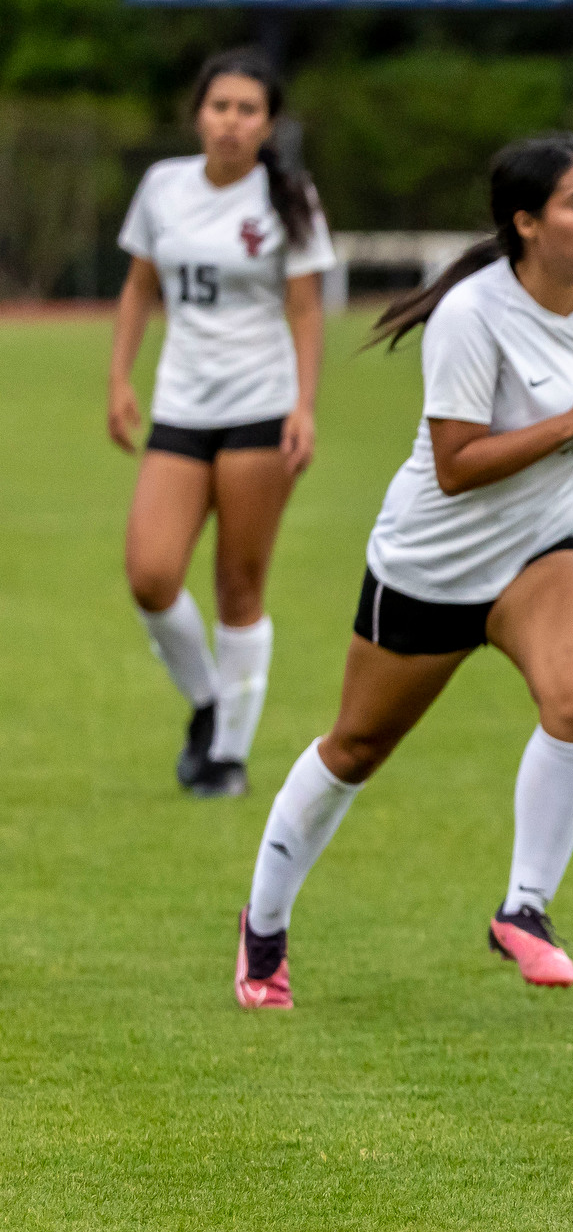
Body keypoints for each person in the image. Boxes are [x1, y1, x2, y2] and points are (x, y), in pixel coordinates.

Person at [230, 133, 573, 1011]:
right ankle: (265, 922)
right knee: (356, 747)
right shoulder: (472, 315)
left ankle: (524, 907)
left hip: (548, 543)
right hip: (432, 563)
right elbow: (456, 466)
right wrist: (570, 423)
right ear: (526, 223)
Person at [109, 48, 336, 797]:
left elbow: (305, 309)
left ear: (268, 125)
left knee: (239, 585)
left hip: (260, 408)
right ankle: (210, 701)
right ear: (198, 114)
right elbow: (140, 286)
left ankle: (226, 758)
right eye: (220, 107)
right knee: (151, 576)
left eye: (248, 110)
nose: (231, 122)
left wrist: (304, 406)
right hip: (181, 405)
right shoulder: (163, 186)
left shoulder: (289, 197)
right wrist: (120, 378)